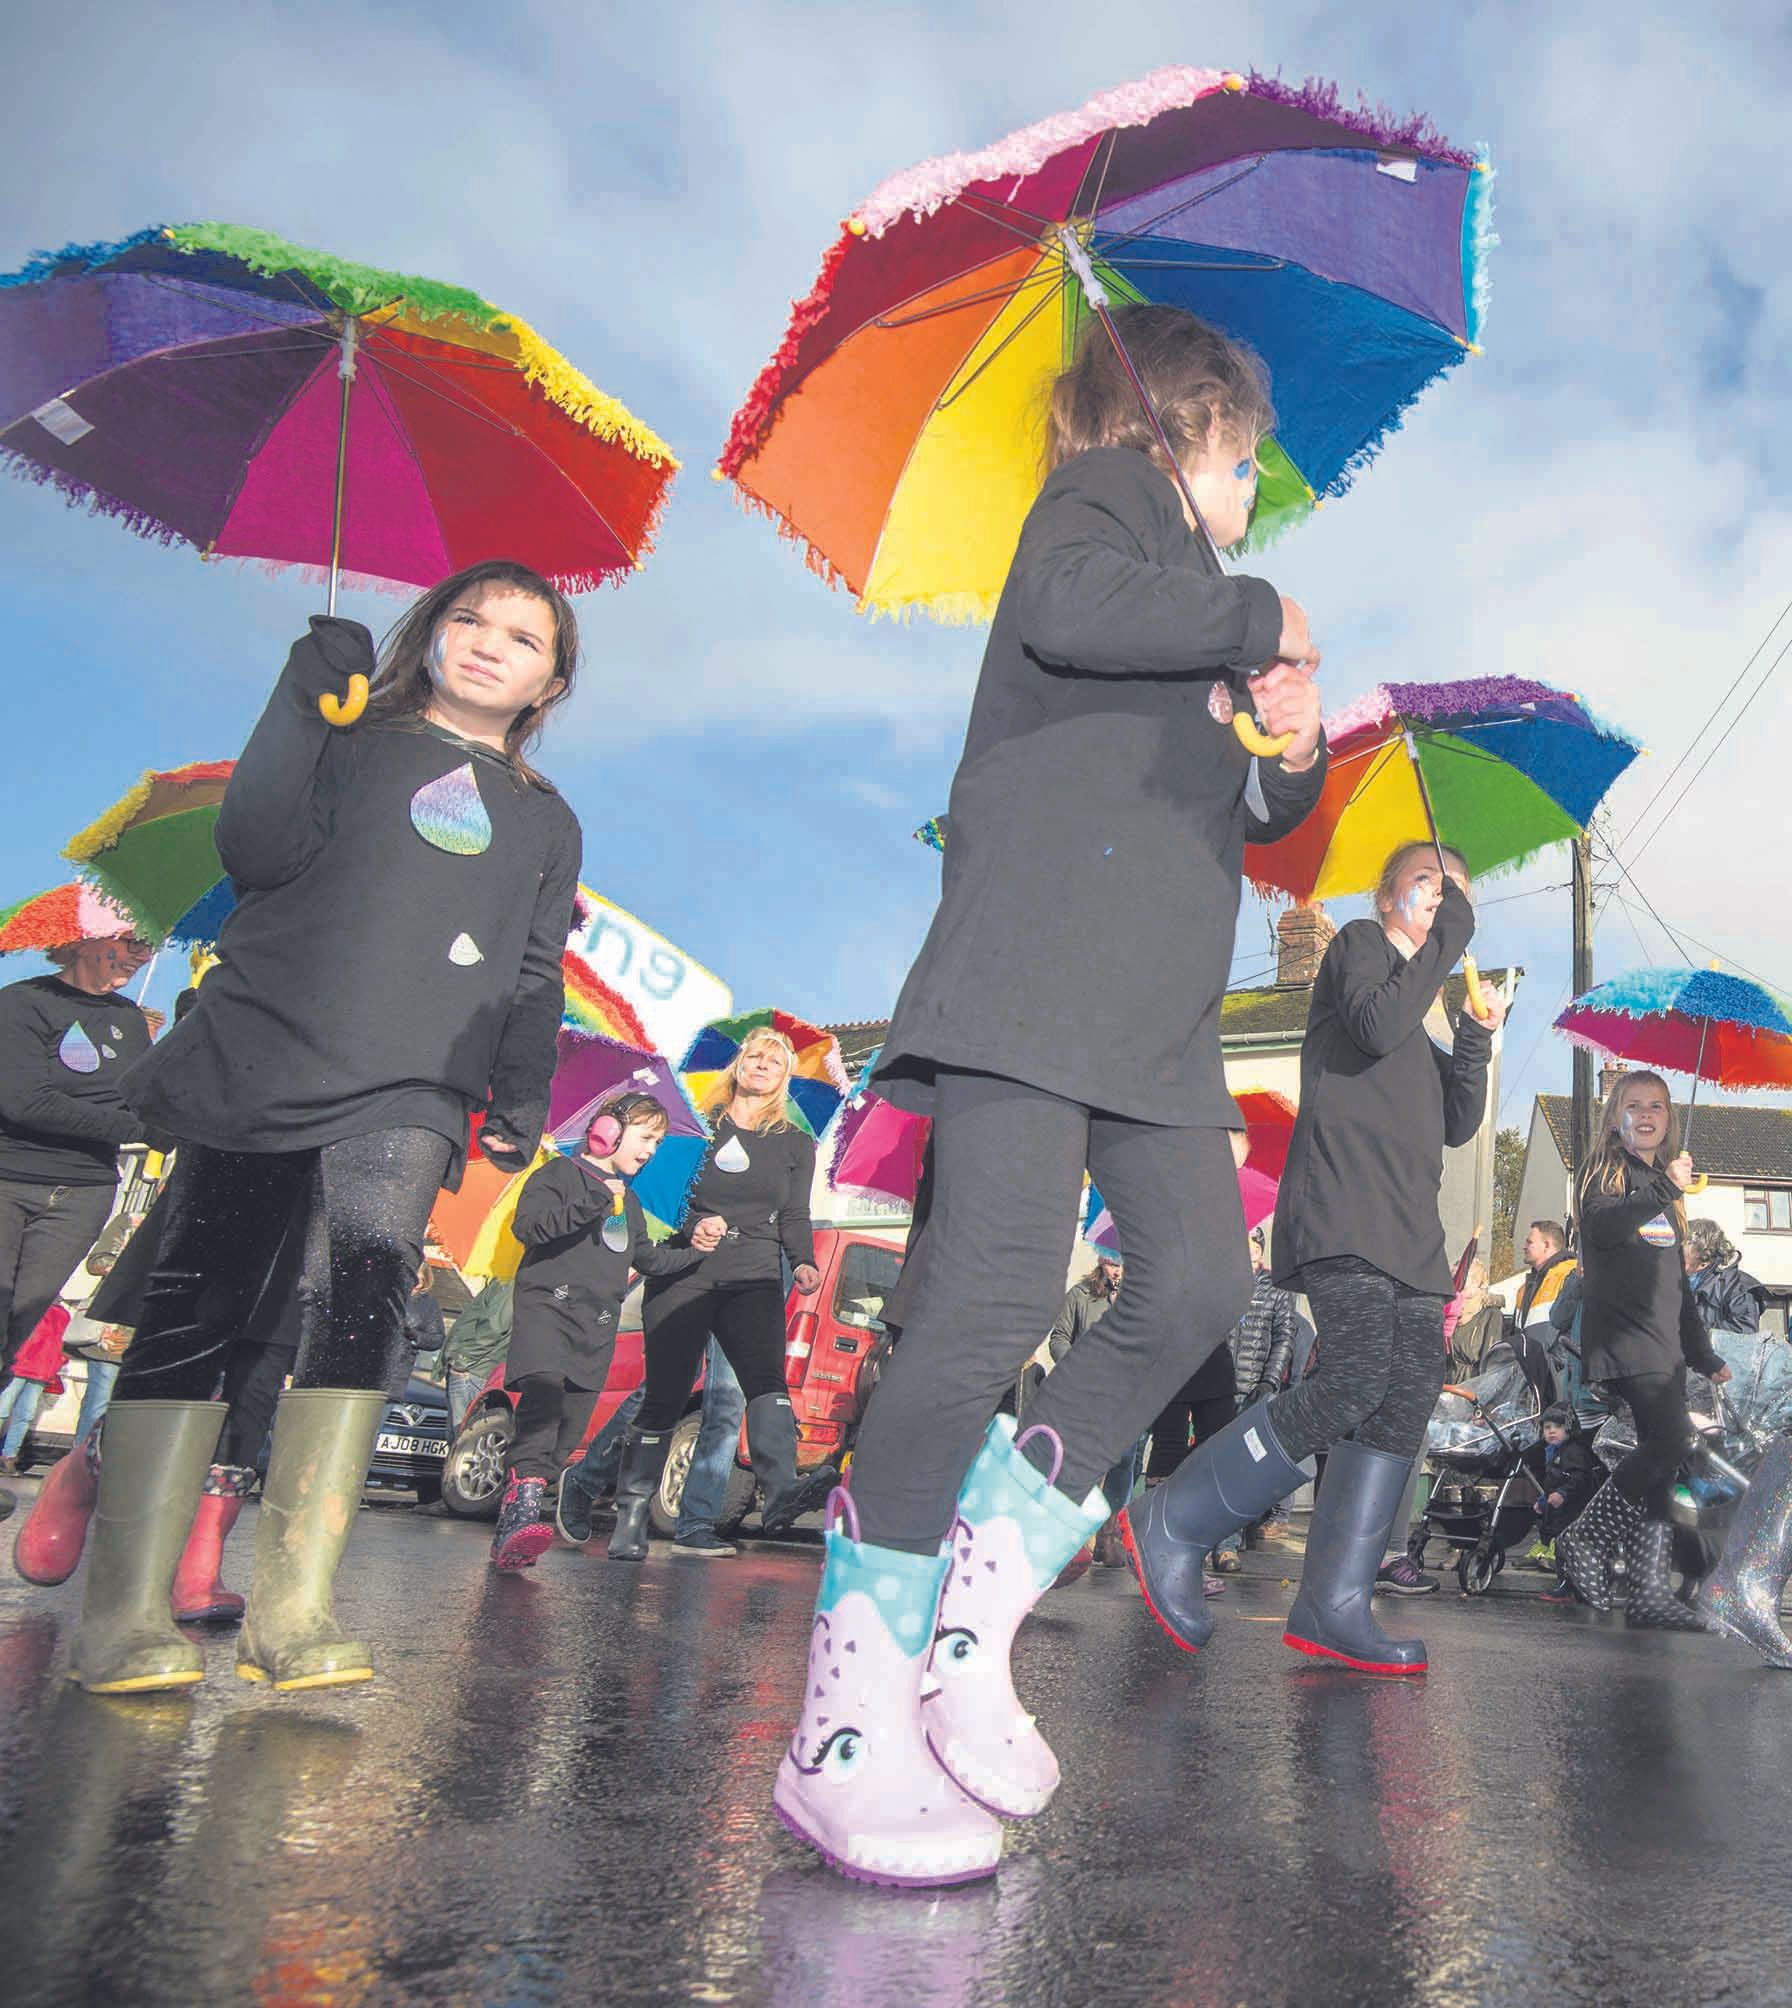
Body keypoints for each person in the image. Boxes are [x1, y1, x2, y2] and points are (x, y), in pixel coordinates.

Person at [774, 303, 1327, 1886]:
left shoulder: (1200, 603)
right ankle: (845, 1724)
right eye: (1246, 468)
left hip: (1154, 1018)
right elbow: (1074, 605)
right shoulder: (1104, 506)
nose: (1252, 496)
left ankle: (972, 1612)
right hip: (1036, 972)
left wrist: (1286, 740)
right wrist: (1257, 610)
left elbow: (1247, 803)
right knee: (989, 1293)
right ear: (1191, 431)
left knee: (1205, 1278)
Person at [65, 559, 582, 1694]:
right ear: (431, 632)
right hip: (271, 1050)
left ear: (550, 683)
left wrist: (520, 1091)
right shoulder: (352, 739)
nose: (491, 643)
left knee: (360, 1305)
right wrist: (298, 702)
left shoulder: (546, 822)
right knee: (201, 1297)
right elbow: (253, 850)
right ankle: (122, 1613)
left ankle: (292, 1610)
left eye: (524, 638)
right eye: (470, 619)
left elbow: (532, 970)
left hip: (412, 1086)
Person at [1128, 840, 1502, 1675]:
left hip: (1411, 1234)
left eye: (1457, 895)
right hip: (1343, 1211)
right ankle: (1176, 1519)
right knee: (1353, 1379)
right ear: (1384, 897)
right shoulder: (1359, 955)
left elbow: (1457, 1120)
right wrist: (1448, 942)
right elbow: (1373, 1022)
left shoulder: (1418, 1015)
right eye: (1430, 886)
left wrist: (1475, 1039)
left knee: (1401, 1404)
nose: (1445, 904)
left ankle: (1334, 1602)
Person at [612, 1028, 832, 1562]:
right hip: (686, 1266)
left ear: (785, 1079)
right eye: (754, 1056)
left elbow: (796, 1214)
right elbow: (659, 1191)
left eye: (774, 1062)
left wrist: (802, 1260)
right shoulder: (693, 1126)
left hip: (753, 1270)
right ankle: (632, 1515)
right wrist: (693, 1223)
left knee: (764, 1379)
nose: (761, 1065)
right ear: (737, 1066)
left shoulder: (796, 1143)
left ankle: (780, 1492)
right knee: (665, 1396)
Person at [493, 1096, 722, 1570]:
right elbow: (531, 1228)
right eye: (646, 1138)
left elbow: (648, 1258)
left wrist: (699, 1252)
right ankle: (520, 1513)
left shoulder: (629, 1200)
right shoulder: (558, 1175)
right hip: (548, 1311)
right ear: (608, 1132)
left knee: (571, 1425)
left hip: (596, 1326)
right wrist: (595, 1198)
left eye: (658, 1142)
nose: (651, 1150)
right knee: (544, 1398)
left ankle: (520, 1517)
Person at [1556, 1072, 1728, 1630]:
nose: (1648, 1113)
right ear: (1615, 1117)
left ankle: (1650, 1590)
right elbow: (1603, 1228)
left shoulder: (1664, 1188)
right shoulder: (1603, 1173)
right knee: (1675, 1438)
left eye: (1658, 1105)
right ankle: (1585, 1537)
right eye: (1635, 1105)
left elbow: (1678, 1291)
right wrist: (1663, 1190)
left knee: (1664, 1455)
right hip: (1624, 1335)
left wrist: (1703, 1355)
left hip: (1665, 1344)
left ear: (1670, 1118)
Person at [0, 929, 154, 1372]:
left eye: (148, 947)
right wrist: (139, 1127)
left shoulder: (129, 1019)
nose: (141, 956)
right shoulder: (23, 1002)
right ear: (85, 940)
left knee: (16, 1330)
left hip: (82, 1193)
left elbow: (145, 1099)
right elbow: (26, 1102)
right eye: (132, 943)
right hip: (9, 1179)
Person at [1523, 1404, 1601, 1601]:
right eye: (1547, 1427)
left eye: (1556, 1427)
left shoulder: (1573, 1452)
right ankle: (1567, 1583)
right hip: (1561, 1510)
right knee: (1560, 1546)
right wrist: (1543, 1500)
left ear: (1568, 1429)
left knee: (1567, 1548)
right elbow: (1551, 1482)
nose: (1551, 1431)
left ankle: (1569, 1584)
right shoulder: (1553, 1452)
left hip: (1573, 1509)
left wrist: (1563, 1494)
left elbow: (1579, 1478)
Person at [0, 1301, 69, 1470]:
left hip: (32, 1370)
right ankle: (9, 1456)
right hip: (30, 1369)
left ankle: (9, 1456)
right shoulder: (56, 1312)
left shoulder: (57, 1313)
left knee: (18, 1414)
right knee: (15, 1413)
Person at [1512, 1222, 1576, 1400]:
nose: (1524, 1246)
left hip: (1558, 1379)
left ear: (1547, 1245)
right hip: (1530, 1379)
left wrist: (1558, 1367)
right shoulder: (1525, 1287)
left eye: (1529, 1242)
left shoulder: (1569, 1274)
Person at [443, 1277, 513, 1433]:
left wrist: (462, 1361)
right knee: (461, 1437)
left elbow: (494, 1327)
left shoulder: (509, 1282)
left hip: (474, 1370)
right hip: (476, 1368)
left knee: (462, 1438)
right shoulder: (508, 1281)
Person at [1684, 1219, 1764, 1338]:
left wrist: (1692, 1332)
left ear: (1703, 1262)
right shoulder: (1675, 1283)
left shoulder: (1738, 1288)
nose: (1674, 1262)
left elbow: (1745, 1334)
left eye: (1682, 1257)